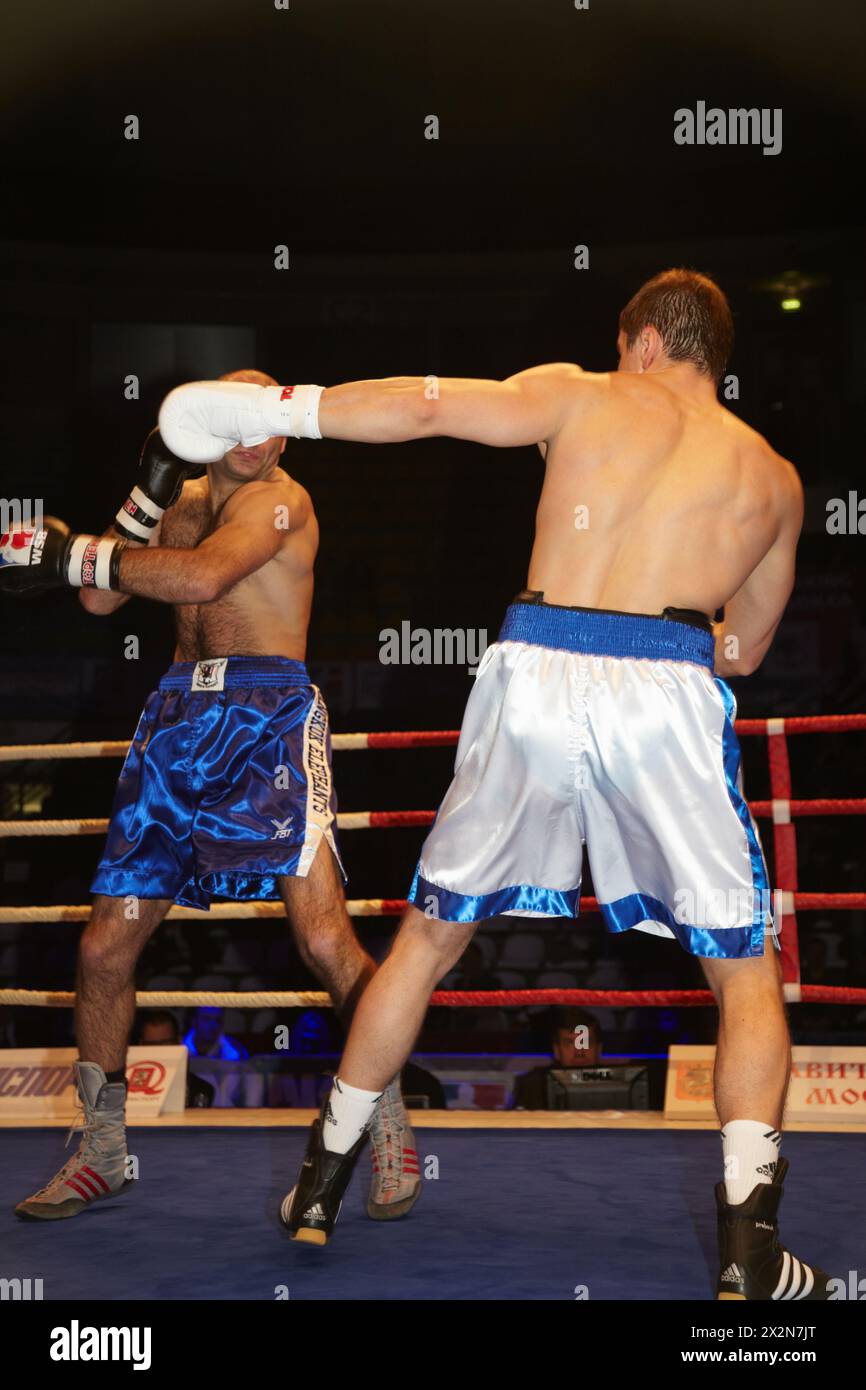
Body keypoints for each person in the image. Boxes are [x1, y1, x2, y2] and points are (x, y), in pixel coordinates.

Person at [152, 269, 830, 1298]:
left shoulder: (581, 392)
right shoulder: (772, 479)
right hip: (668, 677)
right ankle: (748, 1253)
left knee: (426, 939)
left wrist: (274, 409)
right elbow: (742, 651)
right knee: (740, 967)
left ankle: (319, 1189)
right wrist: (670, 623)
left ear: (642, 341)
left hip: (534, 667)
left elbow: (427, 405)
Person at [4, 368, 419, 1225]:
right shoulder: (181, 495)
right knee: (101, 950)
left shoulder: (284, 502)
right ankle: (103, 1151)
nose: (267, 434)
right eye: (244, 418)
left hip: (268, 720)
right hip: (175, 717)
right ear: (209, 425)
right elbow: (97, 597)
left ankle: (385, 1119)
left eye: (278, 418)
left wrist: (65, 548)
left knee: (322, 937)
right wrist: (145, 487)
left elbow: (199, 580)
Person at [512, 1008, 601, 1109]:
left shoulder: (619, 1079)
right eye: (570, 1043)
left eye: (587, 1043)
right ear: (557, 1051)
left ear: (599, 1049)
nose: (579, 1052)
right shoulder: (534, 1085)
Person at [137, 1009, 215, 1108]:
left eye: (165, 1044)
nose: (158, 1051)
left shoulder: (201, 1090)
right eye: (151, 1045)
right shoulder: (128, 1090)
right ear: (141, 1045)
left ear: (178, 1042)